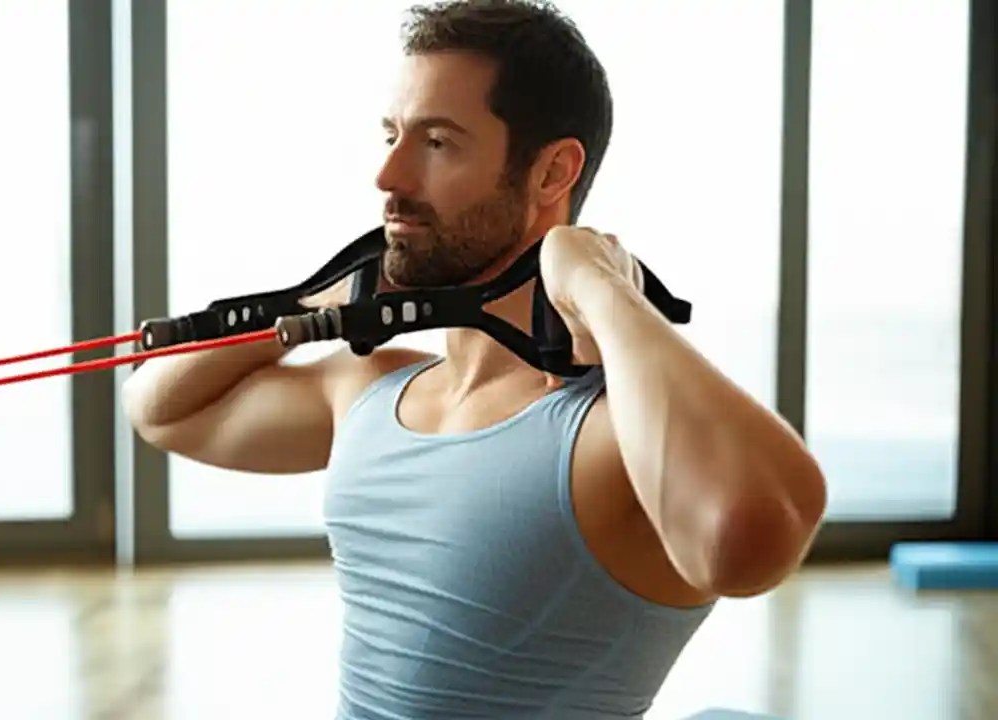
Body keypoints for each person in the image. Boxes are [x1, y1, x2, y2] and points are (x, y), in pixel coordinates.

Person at [122, 1, 827, 717]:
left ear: (553, 172)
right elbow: (159, 407)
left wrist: (597, 285)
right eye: (392, 135)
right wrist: (307, 309)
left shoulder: (606, 433)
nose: (387, 175)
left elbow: (751, 537)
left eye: (438, 143)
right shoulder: (373, 389)